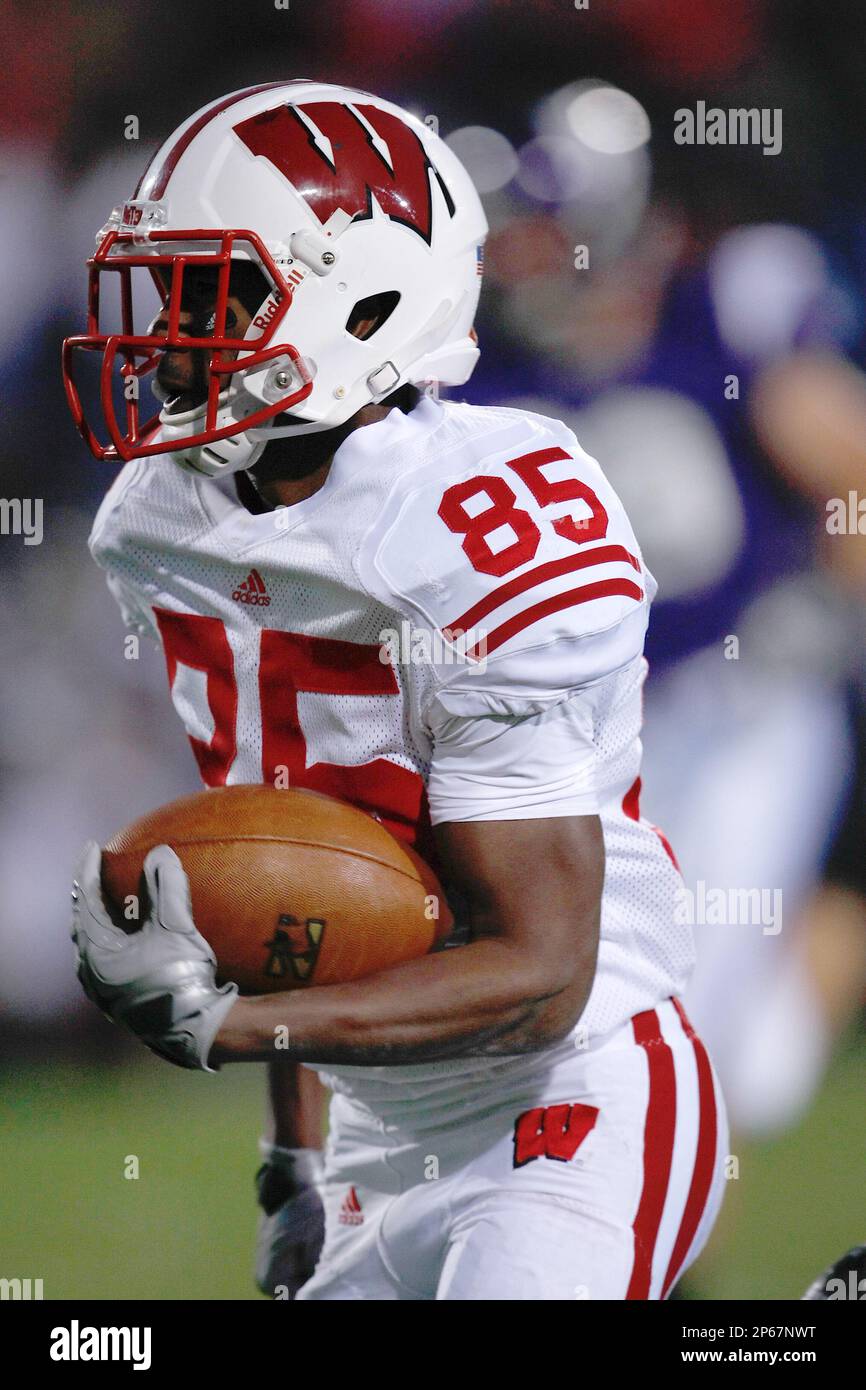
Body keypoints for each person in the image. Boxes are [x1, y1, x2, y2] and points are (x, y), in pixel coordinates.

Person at [64, 79, 727, 1301]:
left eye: (220, 292)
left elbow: (538, 972)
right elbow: (301, 853)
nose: (166, 337)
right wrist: (290, 1160)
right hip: (377, 1131)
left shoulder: (476, 520)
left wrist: (224, 1028)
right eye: (172, 291)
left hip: (572, 1094)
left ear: (359, 298)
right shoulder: (160, 523)